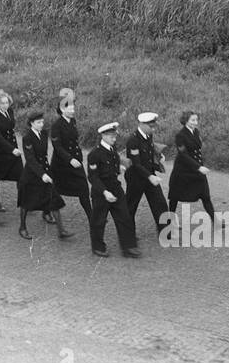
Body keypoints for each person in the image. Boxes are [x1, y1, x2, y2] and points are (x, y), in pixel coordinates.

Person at [86, 121, 140, 258]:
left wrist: (119, 169)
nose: (114, 139)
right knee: (99, 220)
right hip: (101, 192)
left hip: (115, 188)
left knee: (124, 217)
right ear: (103, 136)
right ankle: (98, 247)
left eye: (115, 136)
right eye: (111, 136)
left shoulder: (112, 149)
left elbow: (113, 166)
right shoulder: (94, 154)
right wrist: (105, 192)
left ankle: (128, 247)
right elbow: (93, 177)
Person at [19, 109, 70, 240]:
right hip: (31, 174)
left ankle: (61, 230)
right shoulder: (27, 138)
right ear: (31, 123)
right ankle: (23, 227)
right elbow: (30, 159)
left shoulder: (44, 134)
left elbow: (44, 155)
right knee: (26, 202)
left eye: (42, 122)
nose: (42, 124)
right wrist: (42, 174)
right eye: (38, 122)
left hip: (44, 171)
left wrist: (47, 172)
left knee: (54, 198)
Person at [124, 112, 170, 244]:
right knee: (131, 207)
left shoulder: (148, 135)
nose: (153, 129)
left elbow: (150, 152)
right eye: (151, 126)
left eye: (154, 126)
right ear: (142, 124)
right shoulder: (132, 141)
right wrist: (150, 176)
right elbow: (136, 164)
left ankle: (165, 231)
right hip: (136, 178)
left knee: (160, 203)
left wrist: (159, 157)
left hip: (149, 175)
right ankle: (128, 234)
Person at [49, 88, 91, 221]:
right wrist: (70, 159)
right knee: (54, 190)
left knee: (83, 187)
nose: (73, 110)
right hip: (62, 165)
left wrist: (77, 157)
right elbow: (58, 147)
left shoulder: (72, 121)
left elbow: (74, 141)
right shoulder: (56, 126)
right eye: (70, 108)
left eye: (73, 107)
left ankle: (91, 216)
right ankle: (47, 211)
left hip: (75, 161)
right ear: (62, 110)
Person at [168, 110, 217, 222]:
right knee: (174, 198)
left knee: (205, 195)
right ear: (185, 121)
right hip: (183, 171)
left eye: (196, 120)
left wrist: (200, 166)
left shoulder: (196, 132)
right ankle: (169, 223)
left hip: (196, 169)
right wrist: (198, 167)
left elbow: (197, 150)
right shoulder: (180, 136)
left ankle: (215, 220)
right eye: (193, 120)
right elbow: (183, 155)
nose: (195, 122)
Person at [0, 90, 22, 212]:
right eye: (2, 103)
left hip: (13, 147)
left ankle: (23, 201)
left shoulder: (10, 111)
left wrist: (13, 148)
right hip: (0, 151)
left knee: (20, 175)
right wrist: (12, 149)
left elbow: (10, 128)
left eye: (6, 103)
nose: (5, 105)